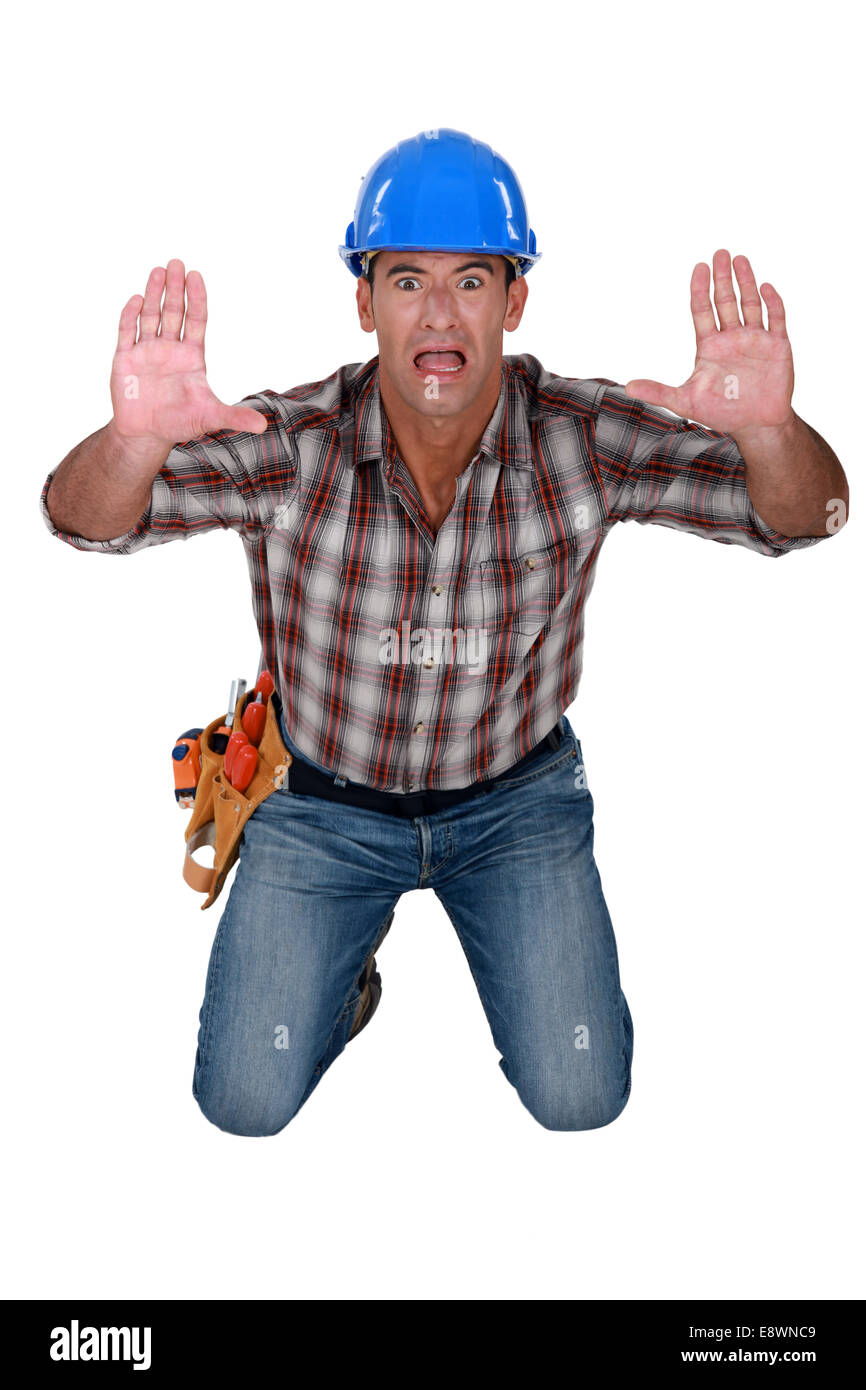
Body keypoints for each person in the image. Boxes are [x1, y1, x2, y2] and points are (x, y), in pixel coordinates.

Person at [41, 128, 849, 1137]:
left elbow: (801, 517)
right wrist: (130, 443)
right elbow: (83, 521)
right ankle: (344, 982)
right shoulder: (289, 446)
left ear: (513, 301)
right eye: (406, 279)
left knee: (580, 1095)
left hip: (515, 807)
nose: (438, 314)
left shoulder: (582, 437)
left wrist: (770, 433)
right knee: (240, 1101)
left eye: (470, 280)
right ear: (363, 299)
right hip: (320, 804)